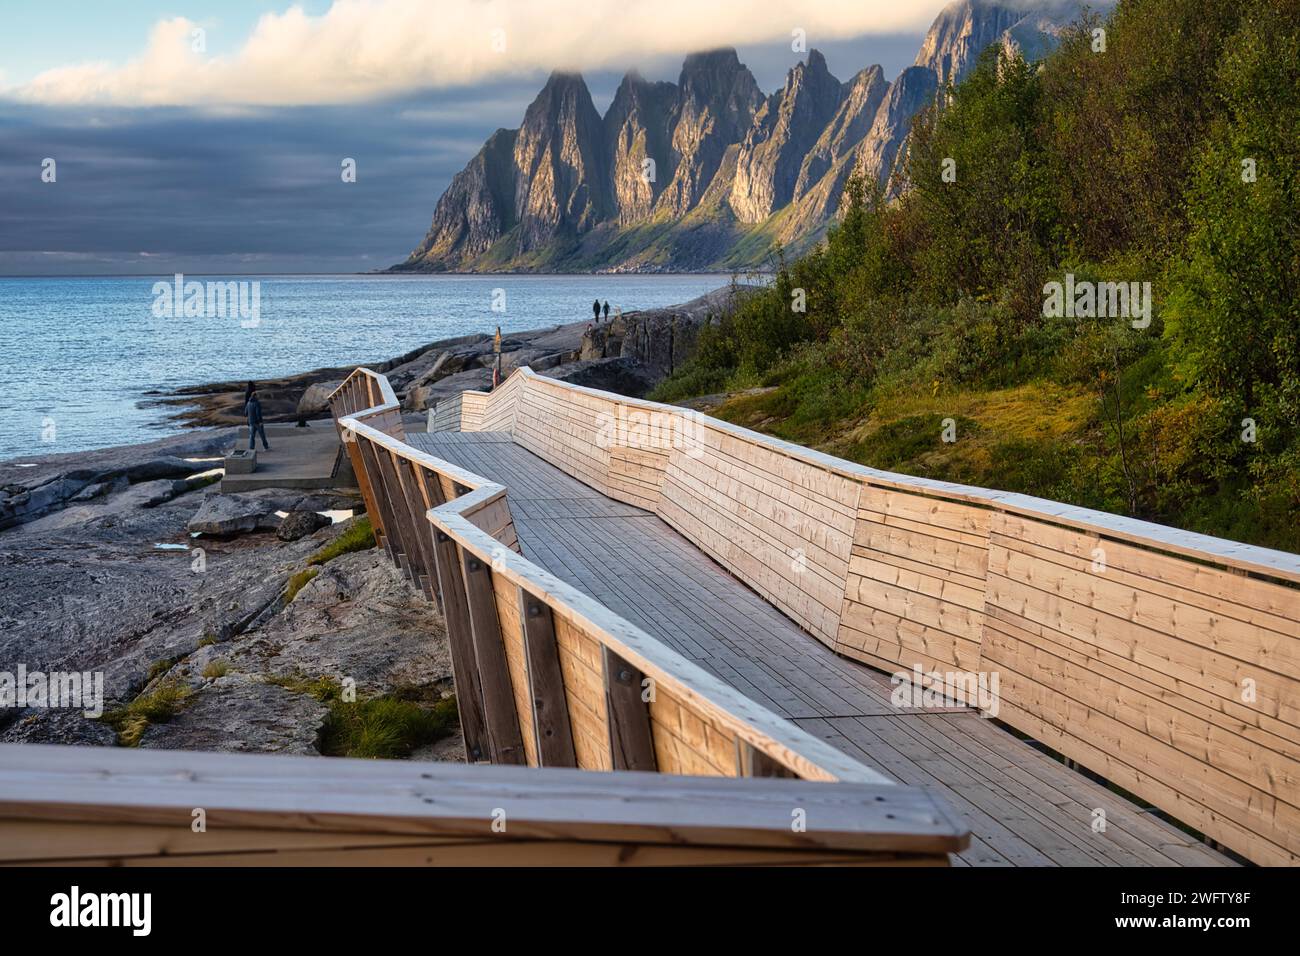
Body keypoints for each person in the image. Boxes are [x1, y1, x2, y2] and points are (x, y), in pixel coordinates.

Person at [246, 386, 270, 451]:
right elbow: (258, 413)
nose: (258, 397)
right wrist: (260, 421)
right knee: (262, 435)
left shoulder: (248, 403)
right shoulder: (257, 403)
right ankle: (266, 447)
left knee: (252, 436)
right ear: (255, 396)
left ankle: (251, 448)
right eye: (257, 396)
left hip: (251, 422)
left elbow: (245, 412)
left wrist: (249, 417)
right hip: (257, 422)